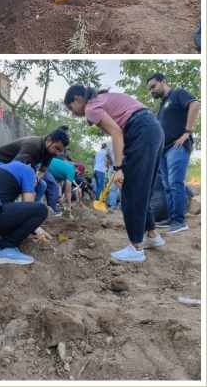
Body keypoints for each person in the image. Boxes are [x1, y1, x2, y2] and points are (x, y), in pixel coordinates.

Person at [64, 85, 165, 262]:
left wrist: (118, 169)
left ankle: (135, 247)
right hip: (154, 129)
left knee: (131, 191)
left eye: (71, 108)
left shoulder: (90, 107)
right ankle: (152, 235)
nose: (73, 114)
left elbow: (116, 133)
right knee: (144, 189)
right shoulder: (103, 99)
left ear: (77, 99)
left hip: (141, 131)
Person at [147, 73, 201, 234]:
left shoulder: (178, 94)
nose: (151, 91)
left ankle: (179, 221)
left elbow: (195, 104)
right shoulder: (162, 106)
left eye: (153, 87)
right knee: (167, 186)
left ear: (163, 82)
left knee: (175, 183)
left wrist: (187, 132)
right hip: (163, 150)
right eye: (150, 89)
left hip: (177, 146)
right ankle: (172, 218)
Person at [0, 129, 70, 170]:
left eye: (60, 151)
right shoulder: (33, 145)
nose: (57, 153)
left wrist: (36, 179)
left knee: (41, 185)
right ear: (49, 140)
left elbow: (42, 171)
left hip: (13, 164)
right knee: (6, 176)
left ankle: (32, 205)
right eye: (57, 148)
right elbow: (14, 167)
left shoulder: (51, 152)